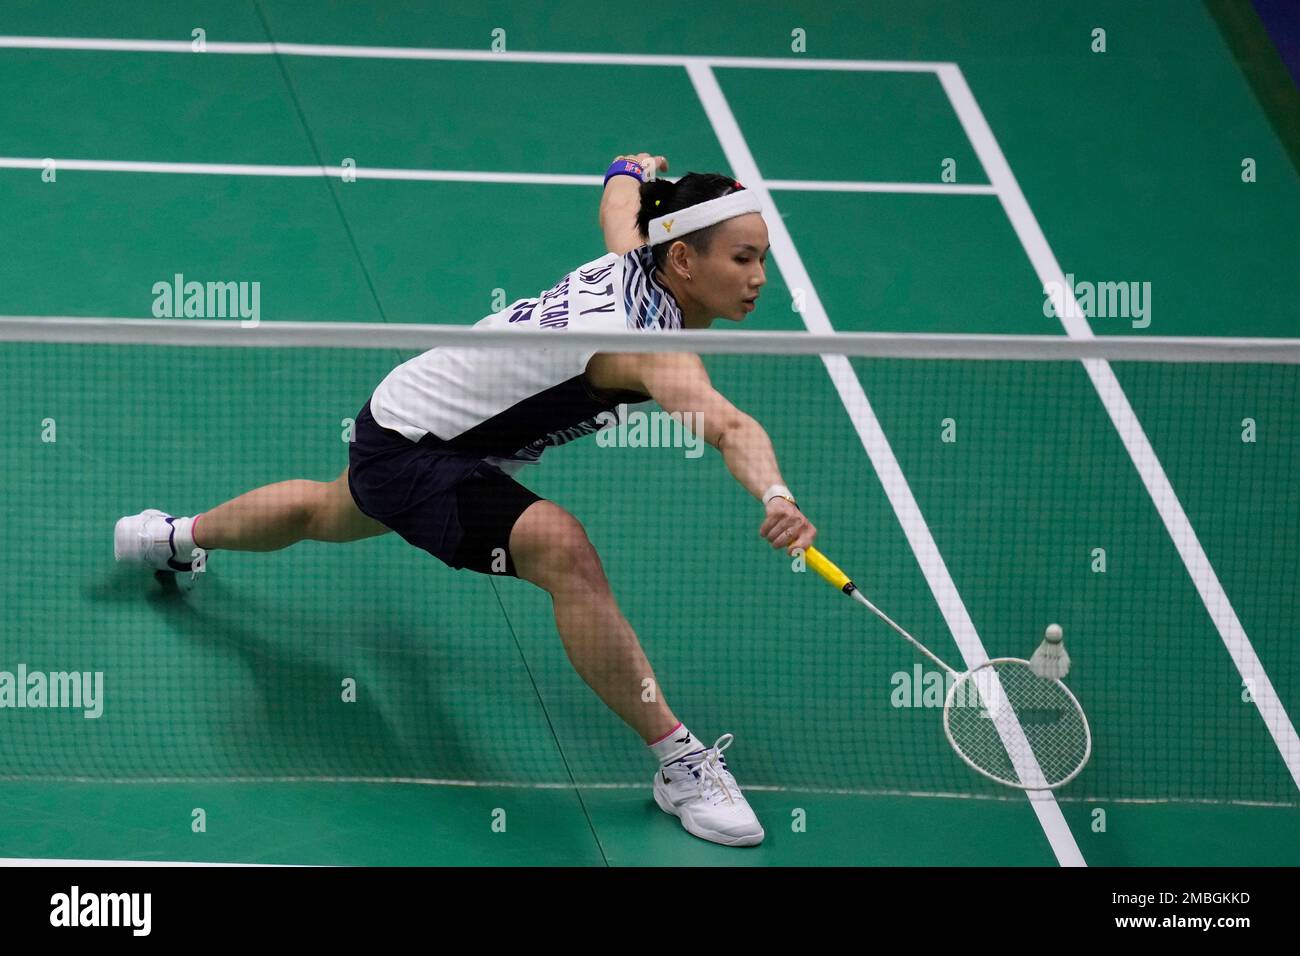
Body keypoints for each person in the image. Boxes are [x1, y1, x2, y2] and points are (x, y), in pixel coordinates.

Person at [114, 153, 817, 847]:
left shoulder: (639, 251)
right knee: (563, 549)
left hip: (419, 413)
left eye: (762, 259)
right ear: (686, 263)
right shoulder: (652, 348)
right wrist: (775, 493)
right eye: (743, 260)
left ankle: (172, 537)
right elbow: (725, 424)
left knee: (325, 513)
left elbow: (618, 207)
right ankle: (680, 761)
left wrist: (626, 170)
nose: (759, 279)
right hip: (418, 446)